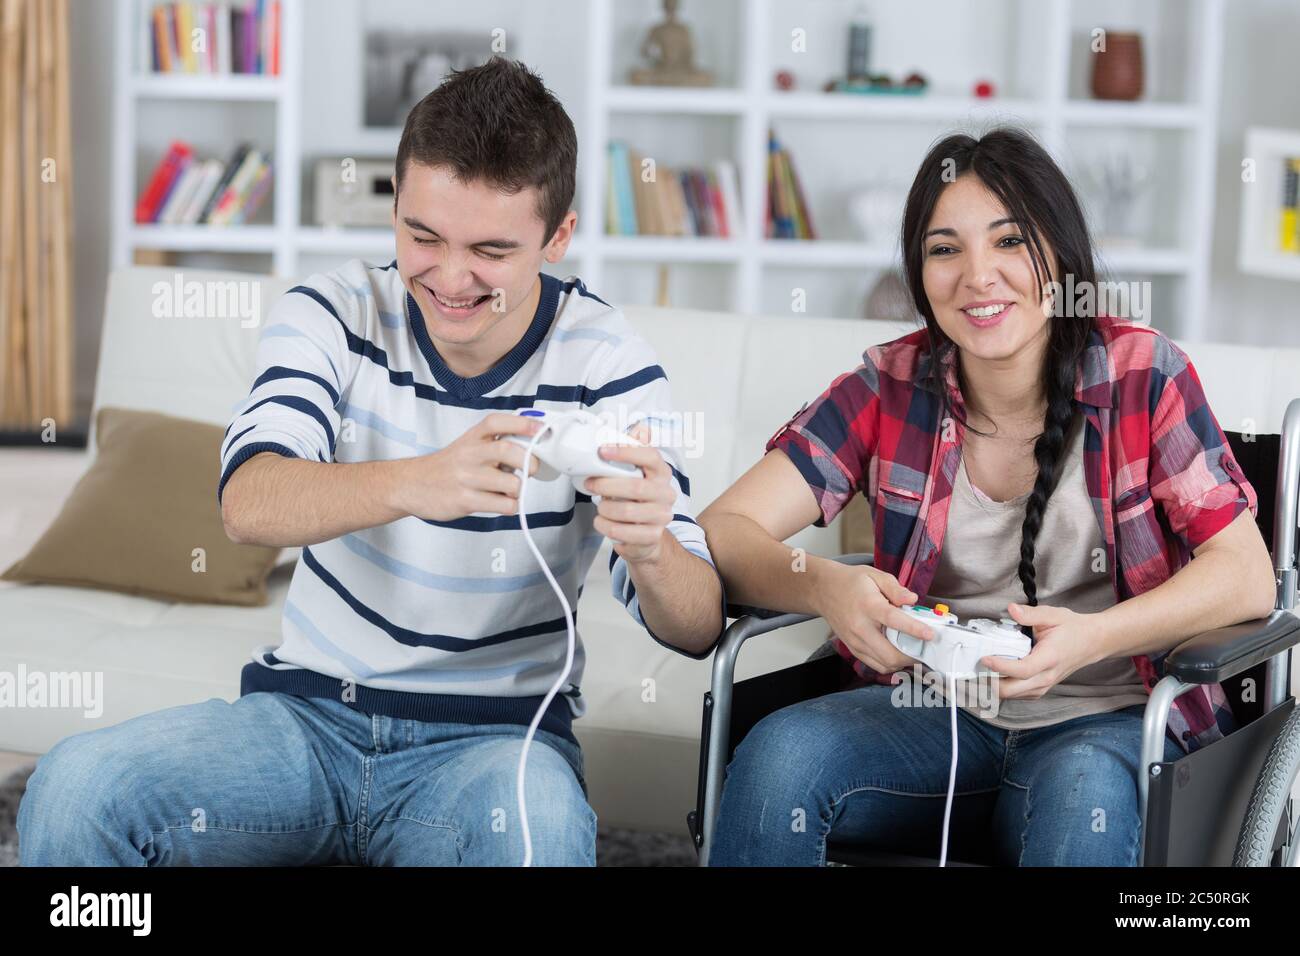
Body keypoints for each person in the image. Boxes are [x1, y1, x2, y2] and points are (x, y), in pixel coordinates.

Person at [18, 57, 723, 867]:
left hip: (493, 748)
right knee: (77, 787)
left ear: (558, 236)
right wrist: (422, 479)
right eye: (423, 236)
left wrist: (650, 546)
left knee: (541, 836)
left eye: (491, 250)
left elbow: (698, 627)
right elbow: (249, 503)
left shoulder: (608, 361)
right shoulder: (330, 313)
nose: (450, 278)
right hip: (303, 725)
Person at [698, 128, 1276, 867]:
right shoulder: (888, 387)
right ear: (919, 272)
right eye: (945, 249)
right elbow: (725, 530)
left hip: (1108, 717)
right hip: (929, 715)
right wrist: (827, 588)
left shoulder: (1144, 376)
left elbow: (1246, 573)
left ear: (1060, 255)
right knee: (780, 758)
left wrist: (1093, 638)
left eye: (1009, 241)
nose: (978, 276)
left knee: (1084, 812)